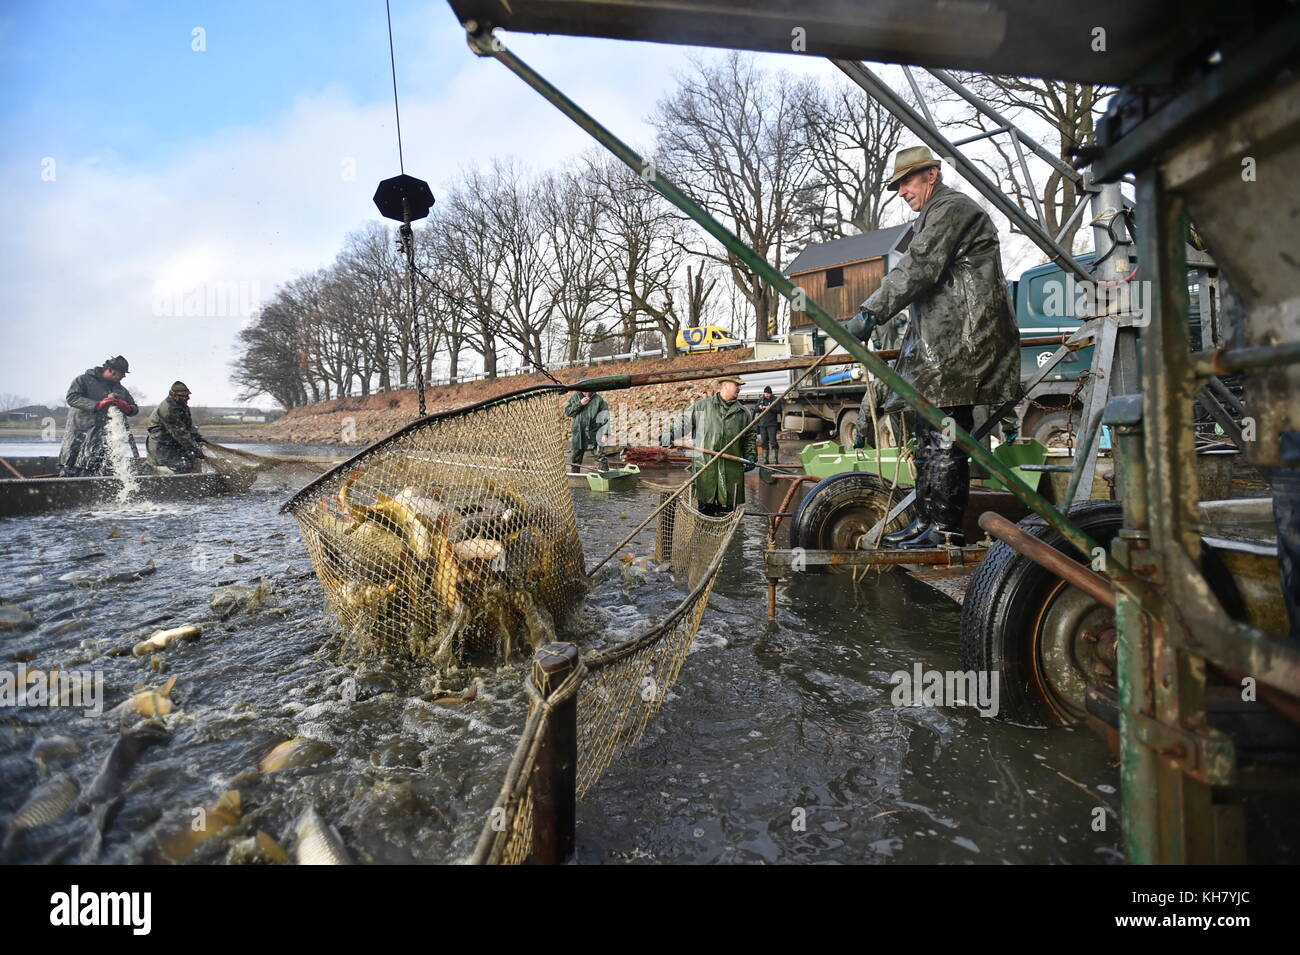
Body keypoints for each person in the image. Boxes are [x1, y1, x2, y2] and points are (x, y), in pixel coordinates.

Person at [844, 146, 1019, 548]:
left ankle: (944, 531)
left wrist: (870, 313)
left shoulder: (951, 209)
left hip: (965, 342)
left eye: (907, 181)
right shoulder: (933, 213)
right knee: (928, 436)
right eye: (898, 184)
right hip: (945, 345)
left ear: (931, 176)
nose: (902, 191)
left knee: (944, 438)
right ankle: (925, 521)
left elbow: (918, 266)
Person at [661, 376, 757, 515]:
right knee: (705, 511)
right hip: (705, 467)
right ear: (725, 385)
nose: (740, 388)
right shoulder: (702, 406)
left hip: (731, 470)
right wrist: (669, 435)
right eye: (737, 385)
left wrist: (751, 455)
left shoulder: (744, 413)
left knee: (728, 514)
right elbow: (683, 423)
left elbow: (750, 437)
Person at [58, 356, 139, 476]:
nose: (124, 376)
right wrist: (97, 404)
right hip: (79, 434)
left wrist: (127, 407)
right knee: (70, 466)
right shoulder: (83, 381)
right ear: (111, 370)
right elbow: (72, 398)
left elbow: (134, 408)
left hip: (102, 439)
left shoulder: (120, 389)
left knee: (94, 468)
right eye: (122, 373)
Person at [147, 381, 206, 473]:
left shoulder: (182, 405)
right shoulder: (167, 410)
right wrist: (194, 448)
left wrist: (198, 438)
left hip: (174, 443)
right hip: (161, 446)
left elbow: (188, 426)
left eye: (187, 395)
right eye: (185, 396)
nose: (188, 398)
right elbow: (179, 433)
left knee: (190, 462)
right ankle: (151, 468)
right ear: (174, 396)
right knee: (182, 467)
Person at [565, 390, 611, 472]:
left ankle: (605, 475)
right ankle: (575, 477)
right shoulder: (575, 397)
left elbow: (605, 416)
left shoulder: (598, 399)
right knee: (576, 457)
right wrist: (580, 404)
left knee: (600, 455)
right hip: (579, 432)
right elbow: (568, 412)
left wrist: (605, 433)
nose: (586, 392)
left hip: (594, 432)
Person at [754, 386, 781, 464]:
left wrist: (770, 408)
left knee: (773, 441)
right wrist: (760, 407)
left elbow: (779, 410)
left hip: (772, 424)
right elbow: (755, 409)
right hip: (762, 424)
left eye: (768, 394)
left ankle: (775, 459)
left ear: (771, 393)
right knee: (764, 441)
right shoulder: (761, 399)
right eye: (765, 393)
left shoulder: (775, 399)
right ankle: (765, 460)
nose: (767, 395)